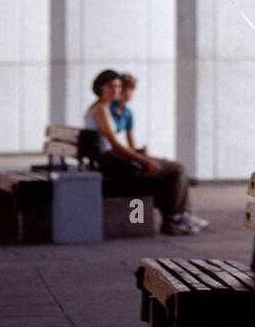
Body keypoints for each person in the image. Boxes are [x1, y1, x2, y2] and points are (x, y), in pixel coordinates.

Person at [84, 70, 207, 235]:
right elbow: (115, 145)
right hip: (111, 162)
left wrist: (141, 156)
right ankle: (174, 218)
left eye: (118, 86)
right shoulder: (101, 109)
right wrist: (144, 161)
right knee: (176, 169)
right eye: (110, 86)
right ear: (100, 87)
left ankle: (178, 215)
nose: (116, 90)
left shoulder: (101, 107)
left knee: (169, 167)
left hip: (109, 159)